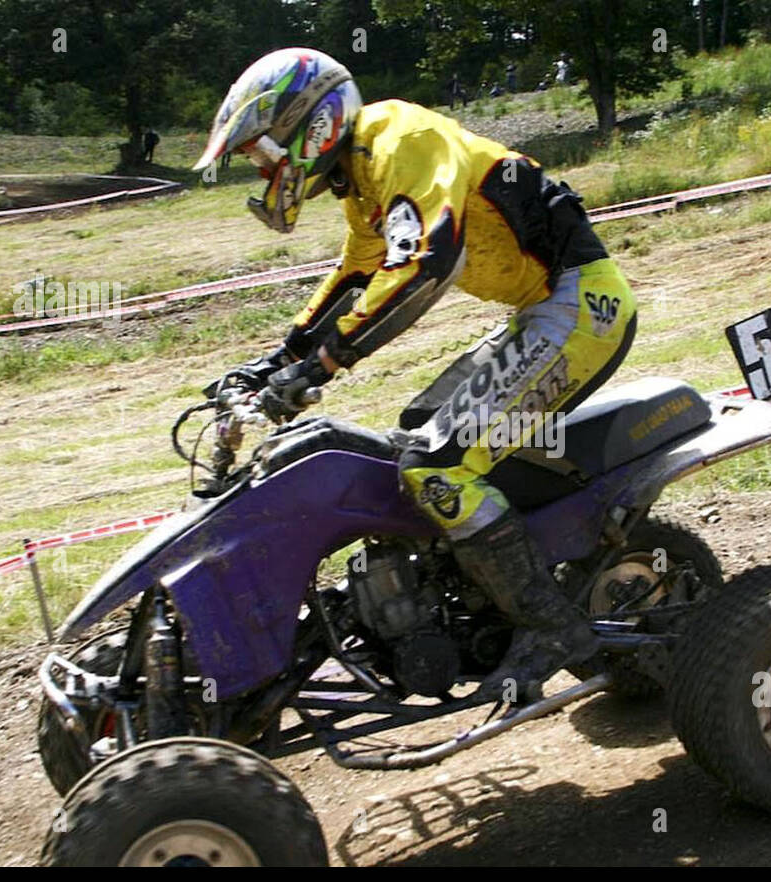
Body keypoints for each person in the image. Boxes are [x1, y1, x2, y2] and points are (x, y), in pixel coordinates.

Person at [193, 49, 638, 700]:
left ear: (310, 126)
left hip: (580, 308)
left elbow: (428, 261)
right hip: (541, 312)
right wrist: (278, 360)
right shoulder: (363, 171)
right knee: (416, 433)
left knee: (438, 466)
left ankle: (551, 627)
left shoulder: (402, 139)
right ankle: (472, 597)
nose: (263, 170)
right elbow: (357, 276)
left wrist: (323, 364)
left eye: (262, 152)